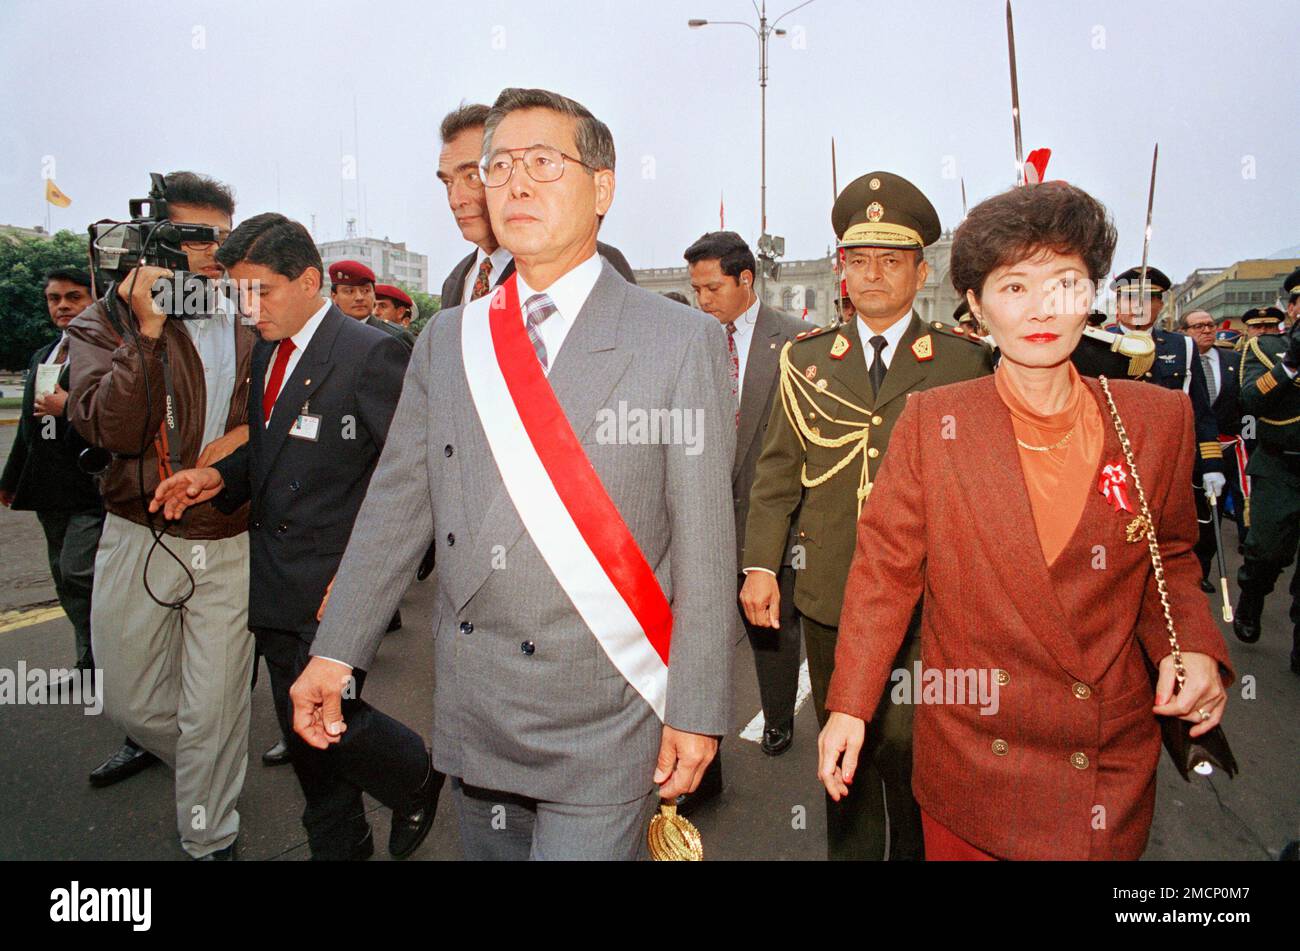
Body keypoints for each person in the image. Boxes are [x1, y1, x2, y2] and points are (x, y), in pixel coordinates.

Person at [297, 87, 736, 860]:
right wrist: (337, 650)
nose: (516, 184)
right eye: (498, 167)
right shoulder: (450, 340)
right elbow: (398, 503)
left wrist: (696, 707)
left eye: (544, 162)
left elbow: (704, 545)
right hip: (480, 697)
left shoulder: (679, 342)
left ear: (602, 188)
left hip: (605, 705)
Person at [819, 181, 1234, 860]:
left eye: (1065, 284)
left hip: (1104, 765)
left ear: (1092, 294)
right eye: (1013, 287)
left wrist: (1190, 643)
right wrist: (850, 705)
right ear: (976, 307)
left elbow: (1171, 555)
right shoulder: (933, 423)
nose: (1041, 308)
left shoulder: (1155, 420)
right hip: (977, 764)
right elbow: (884, 575)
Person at [150, 213, 441, 860]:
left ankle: (415, 773)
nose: (248, 309)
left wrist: (371, 571)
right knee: (304, 732)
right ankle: (341, 842)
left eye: (260, 292)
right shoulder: (270, 350)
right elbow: (273, 452)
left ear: (309, 279)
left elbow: (416, 474)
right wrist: (214, 478)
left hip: (336, 586)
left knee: (337, 719)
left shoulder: (371, 354)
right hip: (277, 582)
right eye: (238, 294)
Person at [741, 171, 994, 861]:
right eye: (860, 259)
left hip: (928, 598)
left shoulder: (965, 363)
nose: (874, 274)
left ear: (921, 270)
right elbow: (775, 473)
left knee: (913, 756)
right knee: (841, 755)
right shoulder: (808, 360)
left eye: (892, 260)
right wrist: (762, 561)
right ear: (842, 269)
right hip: (830, 590)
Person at [66, 171, 254, 859]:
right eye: (197, 238)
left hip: (228, 533)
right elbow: (109, 427)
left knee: (216, 704)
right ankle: (211, 762)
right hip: (136, 531)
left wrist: (243, 441)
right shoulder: (103, 319)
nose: (215, 254)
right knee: (130, 700)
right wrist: (146, 334)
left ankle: (211, 834)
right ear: (155, 242)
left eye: (224, 239)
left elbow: (284, 406)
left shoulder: (247, 311)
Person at [685, 231, 806, 785]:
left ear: (746, 281)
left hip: (769, 513)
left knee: (770, 627)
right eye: (695, 290)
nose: (702, 301)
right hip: (702, 509)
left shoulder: (798, 342)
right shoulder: (688, 340)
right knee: (700, 632)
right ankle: (697, 739)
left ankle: (778, 716)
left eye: (712, 288)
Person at [1, 267, 104, 671]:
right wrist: (11, 479)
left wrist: (70, 408)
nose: (62, 306)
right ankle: (88, 663)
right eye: (54, 298)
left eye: (73, 297)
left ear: (94, 300)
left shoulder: (108, 351)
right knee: (64, 580)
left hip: (89, 489)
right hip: (48, 489)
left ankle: (114, 660)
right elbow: (29, 426)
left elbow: (114, 417)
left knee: (80, 572)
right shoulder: (43, 354)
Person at [435, 101, 637, 306]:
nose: (455, 200)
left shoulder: (597, 263)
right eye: (448, 182)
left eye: (472, 176)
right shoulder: (455, 281)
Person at [1233, 311, 1300, 673]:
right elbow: (1251, 400)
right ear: (1293, 309)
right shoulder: (1266, 348)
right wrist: (1290, 365)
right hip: (1280, 467)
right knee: (1267, 551)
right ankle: (1252, 595)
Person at [1182, 310, 1245, 587]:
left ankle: (1202, 570)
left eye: (1210, 325)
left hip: (1224, 449)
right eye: (1198, 326)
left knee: (1213, 514)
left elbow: (1246, 406)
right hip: (1186, 451)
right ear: (1184, 331)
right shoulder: (1180, 361)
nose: (1206, 330)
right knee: (1188, 515)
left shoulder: (1233, 359)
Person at [327, 260, 416, 350]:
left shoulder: (395, 336)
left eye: (366, 290)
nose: (359, 298)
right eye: (349, 291)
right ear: (334, 296)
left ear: (373, 294)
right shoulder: (326, 334)